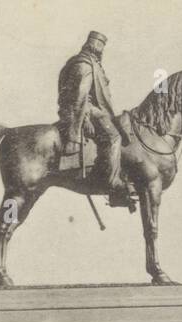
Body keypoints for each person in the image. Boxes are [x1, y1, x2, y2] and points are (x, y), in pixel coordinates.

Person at [56, 31, 129, 208]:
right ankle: (112, 183)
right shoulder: (85, 65)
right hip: (85, 110)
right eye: (100, 46)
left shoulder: (85, 62)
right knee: (114, 137)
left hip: (86, 108)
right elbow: (79, 97)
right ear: (95, 46)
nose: (102, 50)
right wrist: (85, 119)